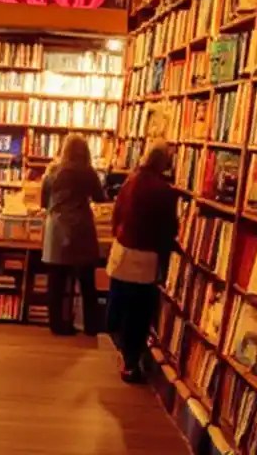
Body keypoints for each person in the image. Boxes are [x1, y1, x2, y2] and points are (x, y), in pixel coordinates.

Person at [107, 143, 179, 382]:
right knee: (139, 312)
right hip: (144, 256)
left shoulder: (130, 181)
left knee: (120, 305)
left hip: (122, 252)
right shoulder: (163, 190)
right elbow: (168, 228)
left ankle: (121, 350)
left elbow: (116, 214)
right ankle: (130, 362)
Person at [40, 134, 108, 336]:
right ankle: (91, 325)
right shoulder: (88, 173)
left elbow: (44, 202)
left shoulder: (52, 172)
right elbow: (99, 197)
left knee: (56, 282)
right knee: (87, 282)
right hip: (81, 230)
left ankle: (56, 325)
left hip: (57, 230)